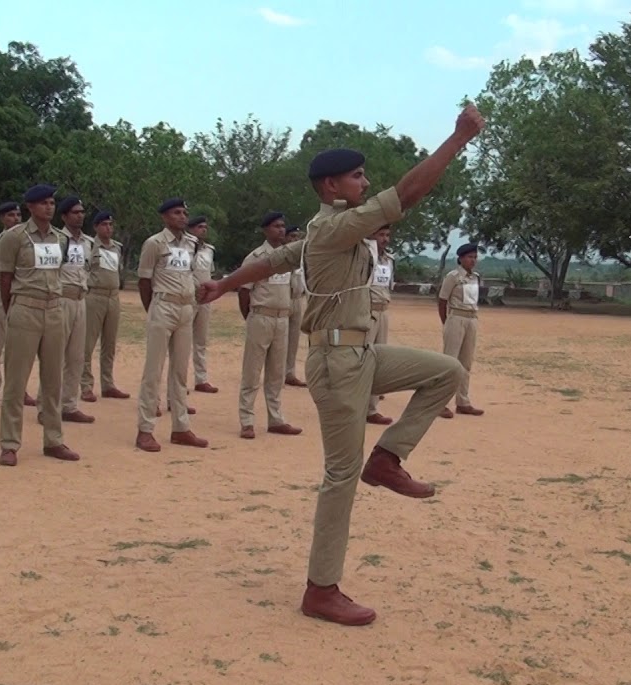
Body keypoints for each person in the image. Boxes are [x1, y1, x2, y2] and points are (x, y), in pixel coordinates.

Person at [196, 103, 483, 626]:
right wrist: (458, 138)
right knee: (340, 477)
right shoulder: (335, 229)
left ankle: (387, 459)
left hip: (361, 353)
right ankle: (321, 590)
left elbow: (274, 260)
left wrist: (223, 283)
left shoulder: (328, 232)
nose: (366, 182)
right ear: (331, 186)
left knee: (447, 372)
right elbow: (408, 194)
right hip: (336, 362)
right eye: (357, 176)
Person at [0, 184, 81, 466]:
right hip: (25, 308)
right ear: (30, 207)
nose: (49, 207)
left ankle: (54, 440)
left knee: (53, 380)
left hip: (55, 308)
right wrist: (13, 310)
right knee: (16, 381)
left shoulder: (61, 238)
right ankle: (9, 444)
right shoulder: (15, 237)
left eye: (52, 203)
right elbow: (6, 277)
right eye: (43, 203)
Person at [135, 198, 208, 452]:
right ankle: (145, 429)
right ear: (165, 217)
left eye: (185, 212)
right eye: (177, 213)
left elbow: (190, 273)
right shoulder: (154, 243)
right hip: (163, 305)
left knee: (180, 371)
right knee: (153, 371)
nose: (182, 217)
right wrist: (153, 309)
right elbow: (144, 281)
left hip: (186, 308)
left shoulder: (191, 244)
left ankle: (181, 427)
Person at [236, 211, 302, 439]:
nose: (281, 230)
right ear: (266, 230)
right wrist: (251, 317)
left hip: (282, 319)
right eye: (276, 226)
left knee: (276, 373)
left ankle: (276, 419)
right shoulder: (256, 257)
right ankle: (247, 420)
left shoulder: (287, 258)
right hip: (261, 316)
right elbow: (244, 291)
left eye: (283, 226)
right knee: (252, 371)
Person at [0, 201, 37, 410]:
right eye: (11, 215)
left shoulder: (27, 241)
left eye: (18, 215)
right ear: (2, 218)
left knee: (20, 347)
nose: (16, 219)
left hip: (20, 294)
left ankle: (19, 389)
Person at [82, 210, 129, 402]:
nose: (108, 228)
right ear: (96, 227)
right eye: (104, 225)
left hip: (113, 297)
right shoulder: (89, 246)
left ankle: (108, 384)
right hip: (95, 296)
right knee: (87, 344)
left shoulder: (117, 248)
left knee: (109, 344)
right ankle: (85, 385)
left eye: (110, 224)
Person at [57, 196, 95, 424]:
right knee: (55, 355)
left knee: (76, 356)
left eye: (82, 212)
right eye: (75, 212)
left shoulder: (88, 242)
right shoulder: (58, 239)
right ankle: (46, 405)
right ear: (64, 216)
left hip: (81, 299)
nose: (80, 216)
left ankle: (69, 405)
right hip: (62, 298)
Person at [438, 242, 483, 418]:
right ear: (461, 258)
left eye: (475, 257)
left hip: (472, 318)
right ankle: (440, 403)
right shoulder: (453, 277)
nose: (473, 260)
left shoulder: (475, 277)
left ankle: (463, 401)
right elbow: (442, 300)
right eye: (470, 257)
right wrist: (446, 322)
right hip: (456, 317)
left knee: (466, 362)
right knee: (450, 362)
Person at [366, 225, 394, 425]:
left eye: (387, 235)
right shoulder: (364, 257)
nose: (385, 239)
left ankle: (372, 408)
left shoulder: (389, 260)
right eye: (381, 234)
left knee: (379, 359)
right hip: (366, 310)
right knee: (362, 359)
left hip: (383, 310)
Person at [187, 215, 218, 394]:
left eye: (205, 227)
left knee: (201, 341)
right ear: (190, 229)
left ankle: (201, 379)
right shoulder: (184, 248)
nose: (203, 230)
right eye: (199, 227)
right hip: (188, 296)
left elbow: (208, 273)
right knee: (182, 340)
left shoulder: (209, 250)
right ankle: (179, 381)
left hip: (205, 298)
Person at [285, 225, 308, 388]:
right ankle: (276, 372)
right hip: (282, 299)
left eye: (297, 237)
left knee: (293, 340)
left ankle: (289, 372)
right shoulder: (280, 257)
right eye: (292, 236)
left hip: (298, 299)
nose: (295, 240)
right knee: (279, 340)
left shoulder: (302, 259)